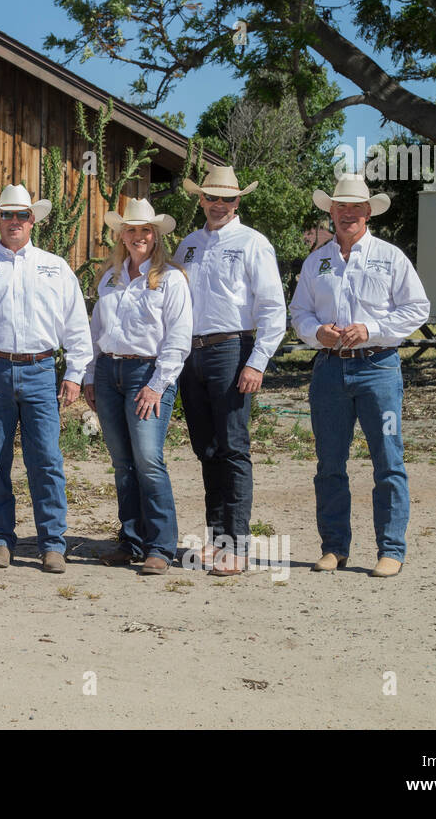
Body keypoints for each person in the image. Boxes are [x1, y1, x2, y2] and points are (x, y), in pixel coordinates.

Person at [290, 173, 429, 578]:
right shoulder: (317, 261)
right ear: (330, 212)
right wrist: (318, 332)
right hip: (330, 370)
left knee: (387, 459)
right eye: (340, 207)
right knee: (329, 462)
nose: (347, 214)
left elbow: (417, 308)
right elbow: (299, 313)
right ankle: (335, 548)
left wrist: (371, 329)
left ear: (369, 212)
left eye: (355, 208)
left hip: (378, 368)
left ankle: (391, 549)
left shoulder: (391, 257)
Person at [0, 184, 92, 574]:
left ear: (33, 221)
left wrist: (75, 372)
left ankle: (52, 543)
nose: (15, 222)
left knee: (45, 459)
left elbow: (77, 326)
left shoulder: (55, 267)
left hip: (41, 370)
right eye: (7, 215)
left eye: (22, 215)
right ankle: (0, 539)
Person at [174, 165, 286, 576]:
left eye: (227, 198)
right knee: (205, 448)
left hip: (231, 348)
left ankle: (237, 545)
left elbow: (273, 308)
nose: (219, 205)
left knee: (233, 447)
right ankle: (216, 537)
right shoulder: (186, 246)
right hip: (191, 352)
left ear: (238, 201)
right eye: (212, 197)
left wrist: (257, 360)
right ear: (200, 199)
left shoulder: (254, 243)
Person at [83, 199, 192, 575]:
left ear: (156, 235)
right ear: (121, 235)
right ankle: (131, 540)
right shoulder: (110, 277)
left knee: (148, 459)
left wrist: (158, 385)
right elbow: (96, 332)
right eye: (132, 230)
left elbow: (178, 338)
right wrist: (88, 376)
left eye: (146, 230)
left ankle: (161, 546)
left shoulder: (170, 278)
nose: (139, 236)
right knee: (123, 462)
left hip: (148, 373)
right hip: (109, 372)